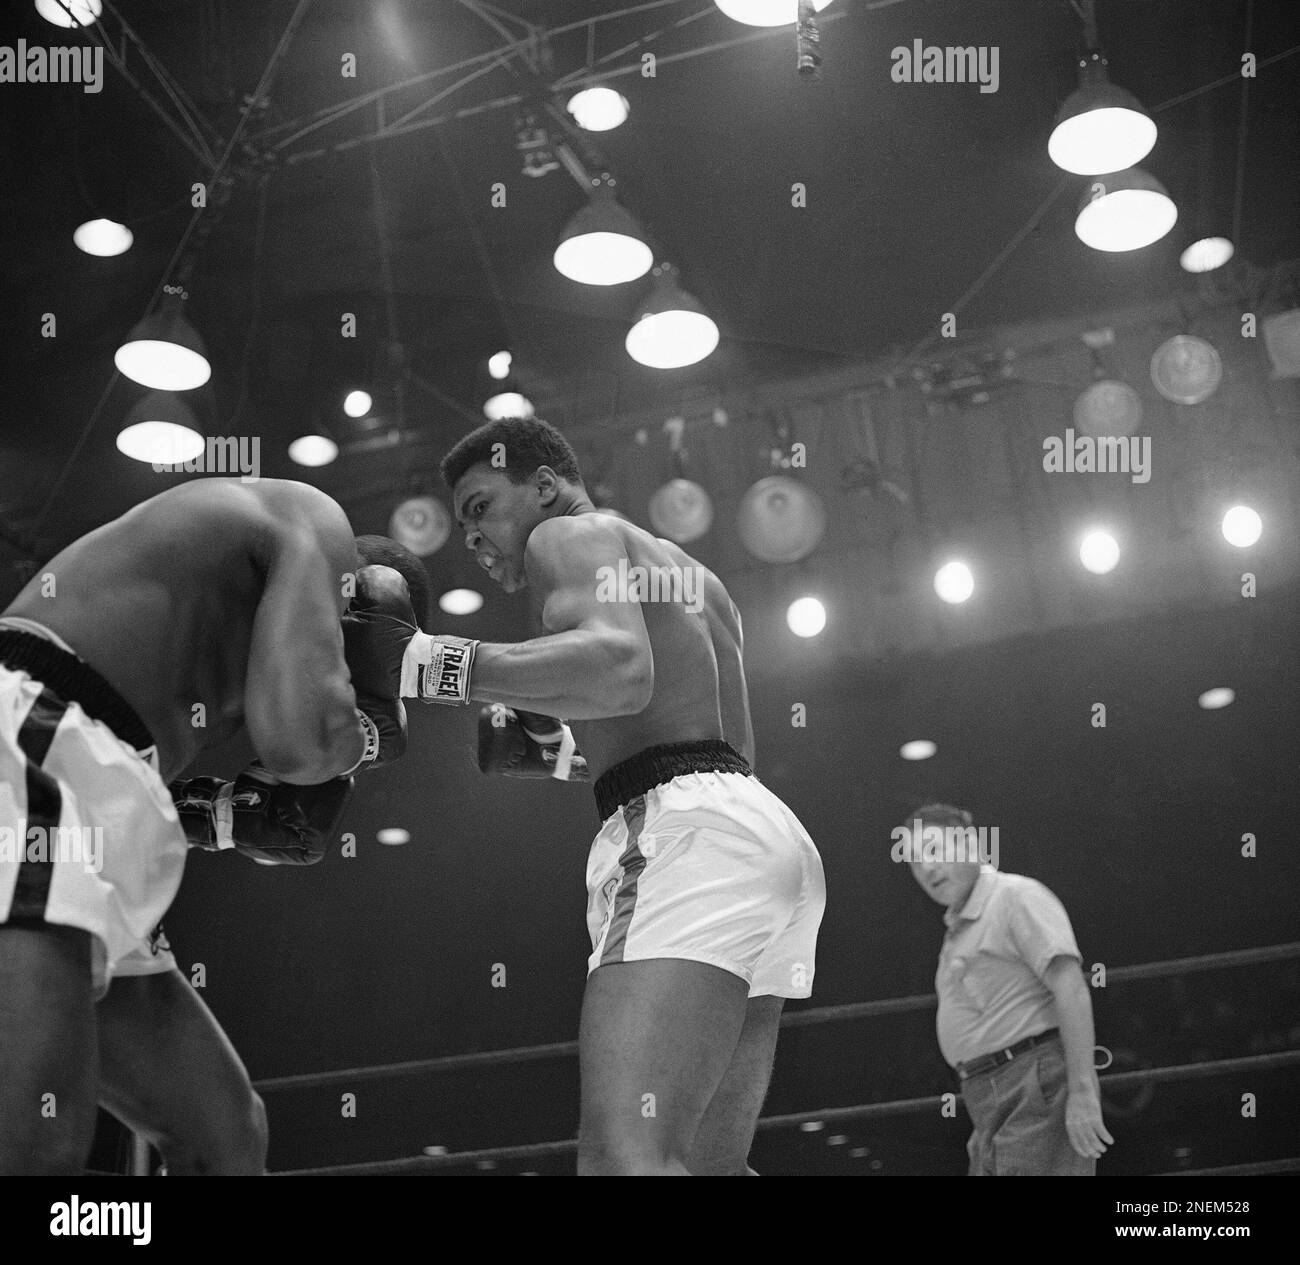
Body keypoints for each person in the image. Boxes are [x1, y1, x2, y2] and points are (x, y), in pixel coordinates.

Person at [405, 416, 826, 1176]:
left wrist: (430, 664)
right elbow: (719, 753)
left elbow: (620, 670)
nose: (474, 538)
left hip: (686, 844)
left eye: (480, 508)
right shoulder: (697, 579)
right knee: (701, 1164)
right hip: (764, 840)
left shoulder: (563, 538)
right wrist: (570, 754)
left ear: (543, 485)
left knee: (623, 1158)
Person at [0, 478, 423, 1174]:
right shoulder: (316, 519)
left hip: (88, 779)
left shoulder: (222, 630)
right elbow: (304, 743)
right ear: (363, 603)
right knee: (39, 1148)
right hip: (30, 740)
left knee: (225, 1137)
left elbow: (135, 776)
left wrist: (227, 815)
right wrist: (365, 735)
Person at [899, 802, 1112, 1175]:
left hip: (1033, 1084)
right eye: (915, 861)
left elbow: (1072, 988)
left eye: (934, 850)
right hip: (992, 1094)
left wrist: (1082, 1090)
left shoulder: (1015, 897)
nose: (927, 868)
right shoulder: (960, 926)